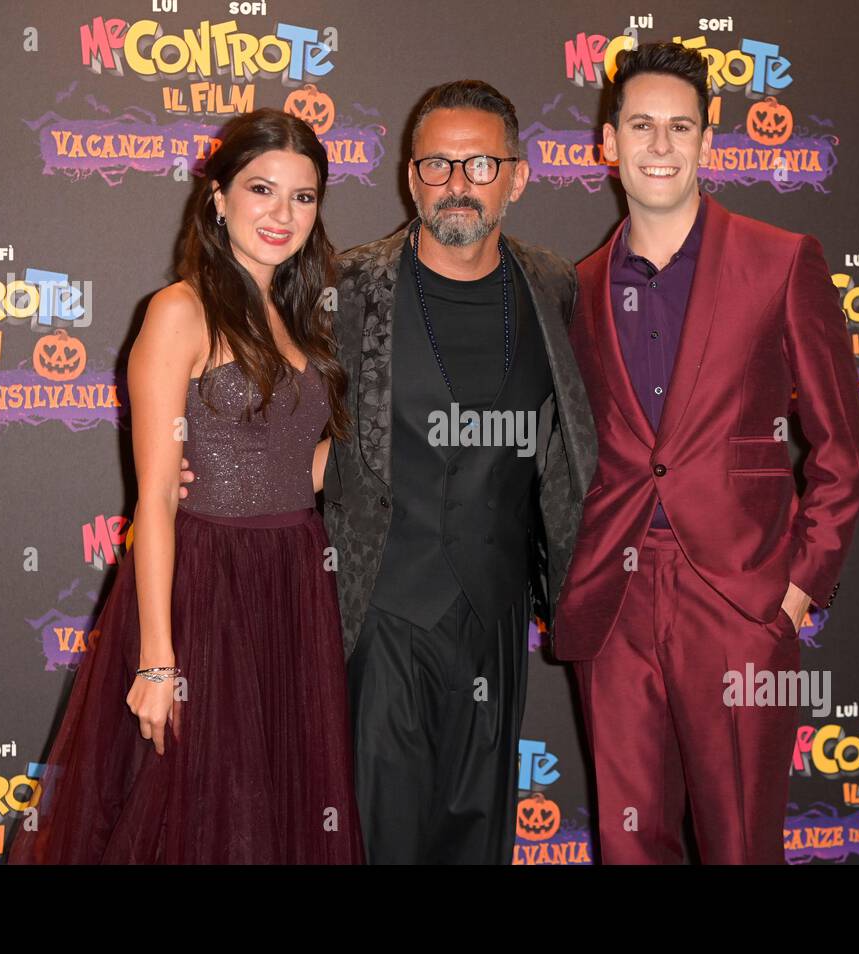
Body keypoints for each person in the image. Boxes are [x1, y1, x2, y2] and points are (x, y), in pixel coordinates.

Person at [182, 80, 596, 864]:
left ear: (519, 175)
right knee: (375, 840)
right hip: (376, 610)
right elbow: (262, 385)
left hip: (497, 612)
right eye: (438, 166)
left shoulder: (554, 284)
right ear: (411, 177)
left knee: (479, 841)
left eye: (480, 165)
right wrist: (200, 466)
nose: (458, 185)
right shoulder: (346, 287)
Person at [7, 108, 364, 864]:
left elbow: (301, 469)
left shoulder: (304, 319)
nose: (282, 214)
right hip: (207, 588)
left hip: (295, 581)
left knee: (279, 814)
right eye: (262, 189)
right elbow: (158, 499)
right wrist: (159, 661)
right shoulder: (179, 312)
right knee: (201, 819)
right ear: (218, 196)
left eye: (303, 197)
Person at [553, 43, 859, 864]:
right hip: (614, 600)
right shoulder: (578, 287)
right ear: (607, 143)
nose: (661, 145)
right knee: (630, 846)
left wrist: (800, 588)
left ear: (708, 141)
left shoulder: (780, 260)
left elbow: (840, 443)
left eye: (680, 127)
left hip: (739, 599)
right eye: (642, 126)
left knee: (739, 844)